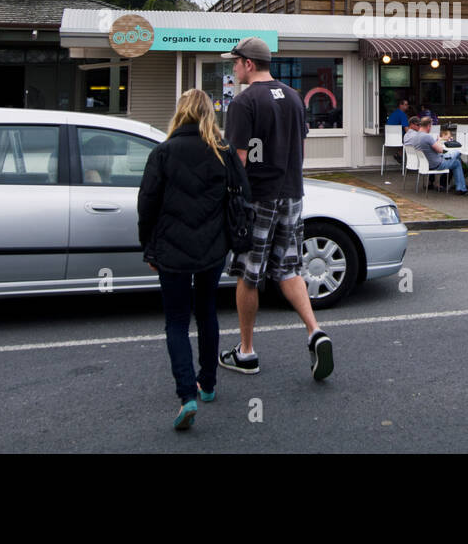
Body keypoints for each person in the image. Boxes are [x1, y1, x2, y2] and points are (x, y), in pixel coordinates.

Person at [217, 37, 333, 381]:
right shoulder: (295, 98)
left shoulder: (244, 102)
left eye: (235, 62)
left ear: (248, 64)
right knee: (288, 268)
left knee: (249, 275)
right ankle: (315, 332)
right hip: (292, 194)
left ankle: (247, 352)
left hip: (259, 197)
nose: (233, 68)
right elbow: (301, 148)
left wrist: (228, 196)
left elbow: (239, 160)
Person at [137, 89, 230, 430]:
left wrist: (148, 245)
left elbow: (146, 204)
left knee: (176, 320)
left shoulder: (163, 152)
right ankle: (208, 384)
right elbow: (239, 198)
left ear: (181, 113)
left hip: (172, 250)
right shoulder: (223, 152)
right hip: (212, 248)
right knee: (206, 312)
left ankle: (187, 394)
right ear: (209, 114)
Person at [405, 116, 468, 194]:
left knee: (456, 162)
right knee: (457, 152)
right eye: (431, 126)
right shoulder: (427, 137)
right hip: (436, 164)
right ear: (428, 126)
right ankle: (461, 186)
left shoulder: (416, 136)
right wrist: (439, 140)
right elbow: (440, 150)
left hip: (425, 164)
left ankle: (460, 187)